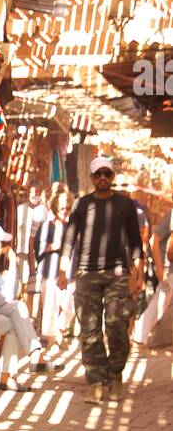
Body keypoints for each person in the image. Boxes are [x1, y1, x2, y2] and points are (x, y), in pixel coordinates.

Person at [57, 156, 144, 402]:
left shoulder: (125, 205)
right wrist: (63, 270)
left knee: (117, 327)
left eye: (107, 174)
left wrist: (137, 274)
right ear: (92, 178)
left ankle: (115, 374)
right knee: (90, 330)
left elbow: (135, 241)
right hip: (87, 273)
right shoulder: (81, 205)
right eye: (98, 174)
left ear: (112, 176)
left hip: (118, 273)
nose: (103, 178)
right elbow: (69, 240)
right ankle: (95, 381)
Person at [0, 223, 48, 391]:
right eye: (2, 243)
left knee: (18, 310)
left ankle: (29, 359)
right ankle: (10, 373)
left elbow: (5, 293)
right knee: (16, 314)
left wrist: (13, 263)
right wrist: (8, 298)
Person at [34, 184, 76, 352]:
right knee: (50, 306)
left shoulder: (70, 227)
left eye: (67, 209)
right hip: (49, 271)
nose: (65, 212)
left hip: (67, 272)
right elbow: (39, 247)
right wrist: (57, 246)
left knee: (69, 304)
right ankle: (51, 339)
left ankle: (58, 330)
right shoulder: (47, 226)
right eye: (61, 209)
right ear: (55, 208)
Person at [134, 200, 173, 348]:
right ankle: (139, 337)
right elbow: (153, 241)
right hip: (168, 268)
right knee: (160, 302)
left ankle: (139, 336)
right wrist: (160, 268)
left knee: (161, 303)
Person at [14, 181, 49, 304]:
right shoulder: (20, 209)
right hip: (23, 252)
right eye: (31, 193)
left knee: (37, 283)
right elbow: (15, 231)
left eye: (36, 193)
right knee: (24, 281)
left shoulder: (44, 210)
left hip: (38, 252)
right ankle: (25, 308)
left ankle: (35, 311)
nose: (33, 195)